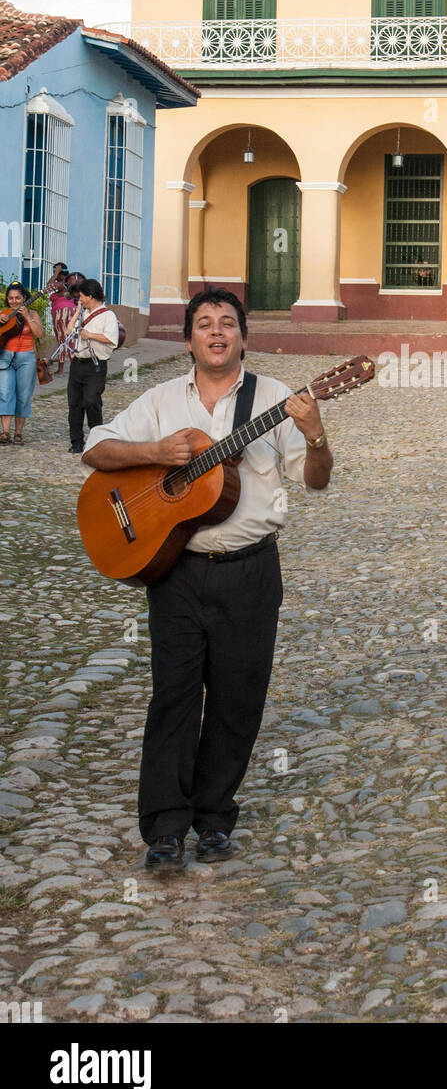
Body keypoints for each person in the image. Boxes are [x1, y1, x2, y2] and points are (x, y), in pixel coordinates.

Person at [82, 287, 333, 871]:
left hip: (250, 570)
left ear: (243, 336)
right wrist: (155, 451)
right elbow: (96, 447)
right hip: (177, 570)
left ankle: (215, 818)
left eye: (227, 324)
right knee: (173, 697)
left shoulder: (274, 400)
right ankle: (165, 828)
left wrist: (317, 433)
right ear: (189, 336)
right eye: (203, 324)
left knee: (236, 700)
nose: (216, 333)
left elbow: (316, 480)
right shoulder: (163, 399)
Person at [67, 278, 119, 453]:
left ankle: (97, 439)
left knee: (91, 401)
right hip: (77, 363)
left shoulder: (108, 315)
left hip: (95, 365)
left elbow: (112, 339)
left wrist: (91, 335)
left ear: (90, 295)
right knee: (74, 403)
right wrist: (77, 311)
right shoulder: (83, 313)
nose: (79, 298)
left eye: (81, 296)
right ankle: (76, 442)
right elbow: (68, 331)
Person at [0, 283, 44, 445]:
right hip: (5, 357)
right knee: (5, 393)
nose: (14, 301)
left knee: (23, 396)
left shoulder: (33, 313)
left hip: (27, 358)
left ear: (24, 298)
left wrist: (27, 317)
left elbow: (39, 333)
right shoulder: (3, 313)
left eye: (17, 298)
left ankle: (18, 433)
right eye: (11, 298)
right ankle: (5, 432)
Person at [48, 263, 76, 376]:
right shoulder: (71, 282)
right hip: (72, 313)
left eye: (56, 273)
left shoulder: (62, 283)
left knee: (62, 340)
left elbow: (49, 285)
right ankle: (75, 369)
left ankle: (60, 369)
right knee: (72, 340)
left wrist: (56, 272)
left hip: (62, 313)